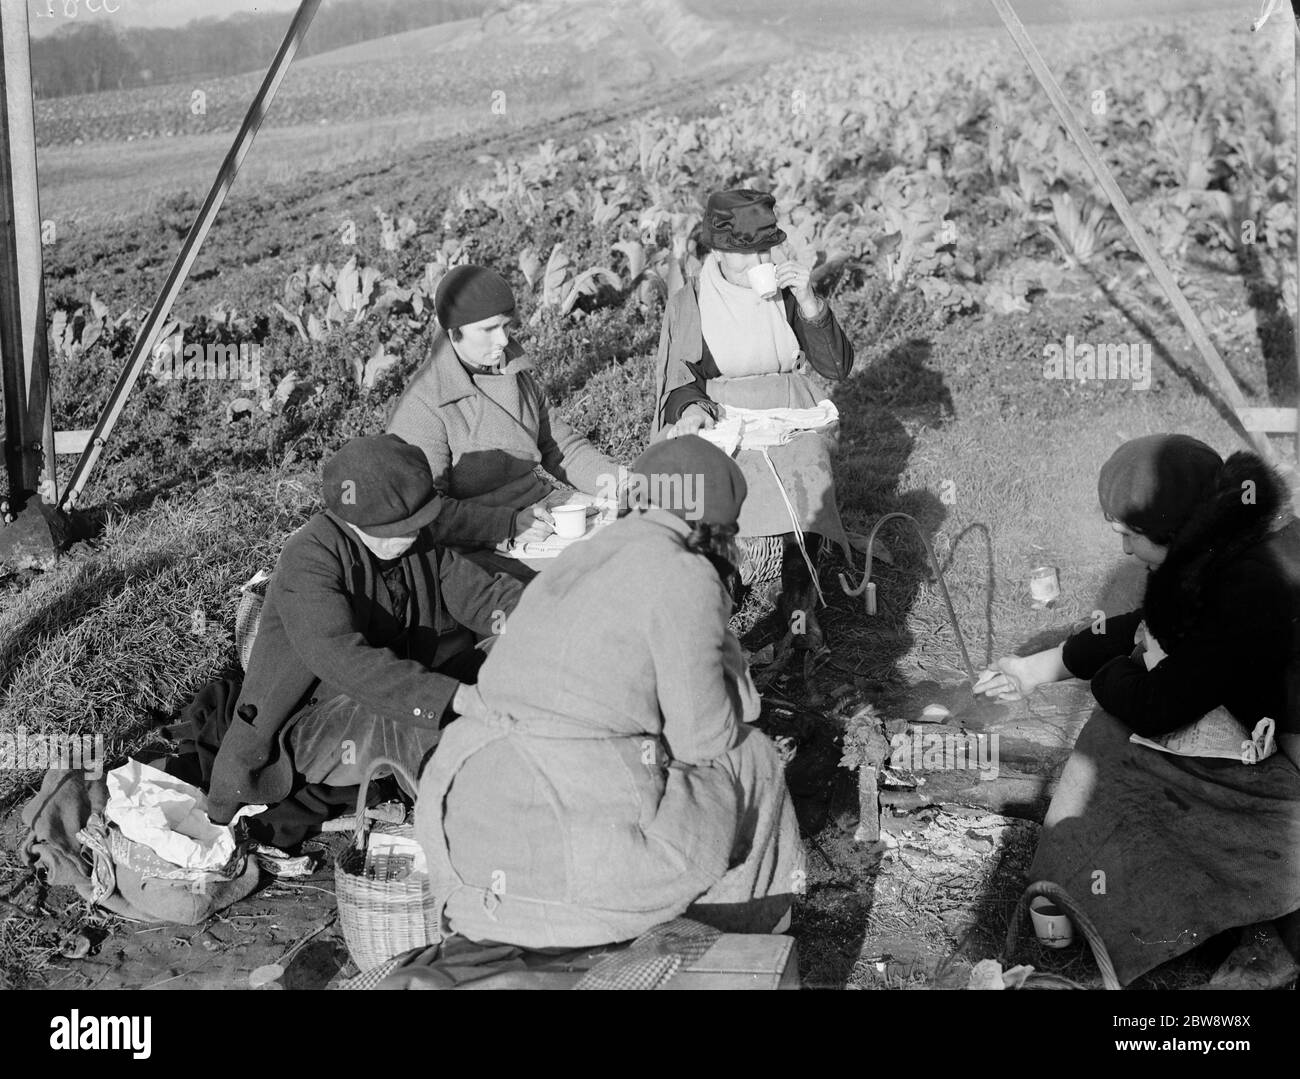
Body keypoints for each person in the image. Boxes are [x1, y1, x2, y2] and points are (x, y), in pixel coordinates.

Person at [415, 435, 806, 948]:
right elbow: (704, 739)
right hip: (576, 877)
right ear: (715, 528)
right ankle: (740, 937)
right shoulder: (685, 572)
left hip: (468, 843)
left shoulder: (580, 557)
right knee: (749, 756)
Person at [975, 434, 1300, 987]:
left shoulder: (1246, 590)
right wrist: (1036, 668)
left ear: (1173, 532)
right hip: (1270, 720)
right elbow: (1151, 625)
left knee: (1113, 743)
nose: (1124, 549)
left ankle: (1255, 918)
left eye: (1130, 535)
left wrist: (1109, 675)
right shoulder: (1226, 540)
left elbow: (1155, 705)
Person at [204, 434, 524, 848]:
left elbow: (484, 598)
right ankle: (464, 829)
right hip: (310, 727)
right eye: (397, 530)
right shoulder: (309, 557)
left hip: (394, 688)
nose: (410, 538)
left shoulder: (414, 540)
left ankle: (533, 766)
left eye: (415, 526)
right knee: (402, 711)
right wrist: (458, 699)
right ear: (353, 519)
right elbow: (346, 662)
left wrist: (543, 621)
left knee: (511, 650)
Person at [652, 189, 855, 650]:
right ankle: (722, 585)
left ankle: (798, 595)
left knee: (808, 467)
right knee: (720, 478)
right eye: (747, 253)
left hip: (788, 404)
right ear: (719, 251)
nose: (760, 260)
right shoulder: (692, 301)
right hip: (723, 408)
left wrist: (809, 302)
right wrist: (693, 412)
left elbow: (837, 367)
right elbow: (679, 379)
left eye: (766, 248)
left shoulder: (785, 293)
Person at [387, 263, 624, 579]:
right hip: (480, 545)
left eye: (507, 326)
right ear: (453, 332)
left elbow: (561, 447)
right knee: (588, 582)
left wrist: (621, 483)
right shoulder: (424, 405)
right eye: (487, 329)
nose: (502, 340)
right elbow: (427, 510)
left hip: (543, 516)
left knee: (640, 539)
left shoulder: (514, 371)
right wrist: (507, 526)